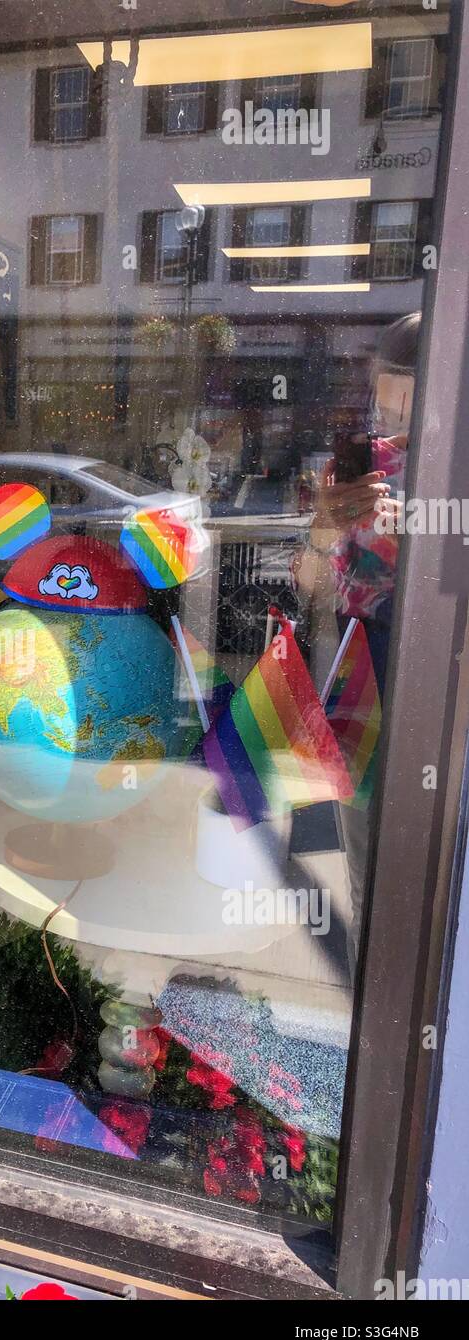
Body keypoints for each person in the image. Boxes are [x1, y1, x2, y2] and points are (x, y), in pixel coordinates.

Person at [297, 313, 419, 974]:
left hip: (429, 670)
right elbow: (311, 585)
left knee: (433, 841)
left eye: (407, 400)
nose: (391, 419)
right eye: (385, 398)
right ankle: (378, 975)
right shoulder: (358, 465)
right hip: (355, 661)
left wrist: (418, 538)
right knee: (362, 833)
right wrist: (325, 523)